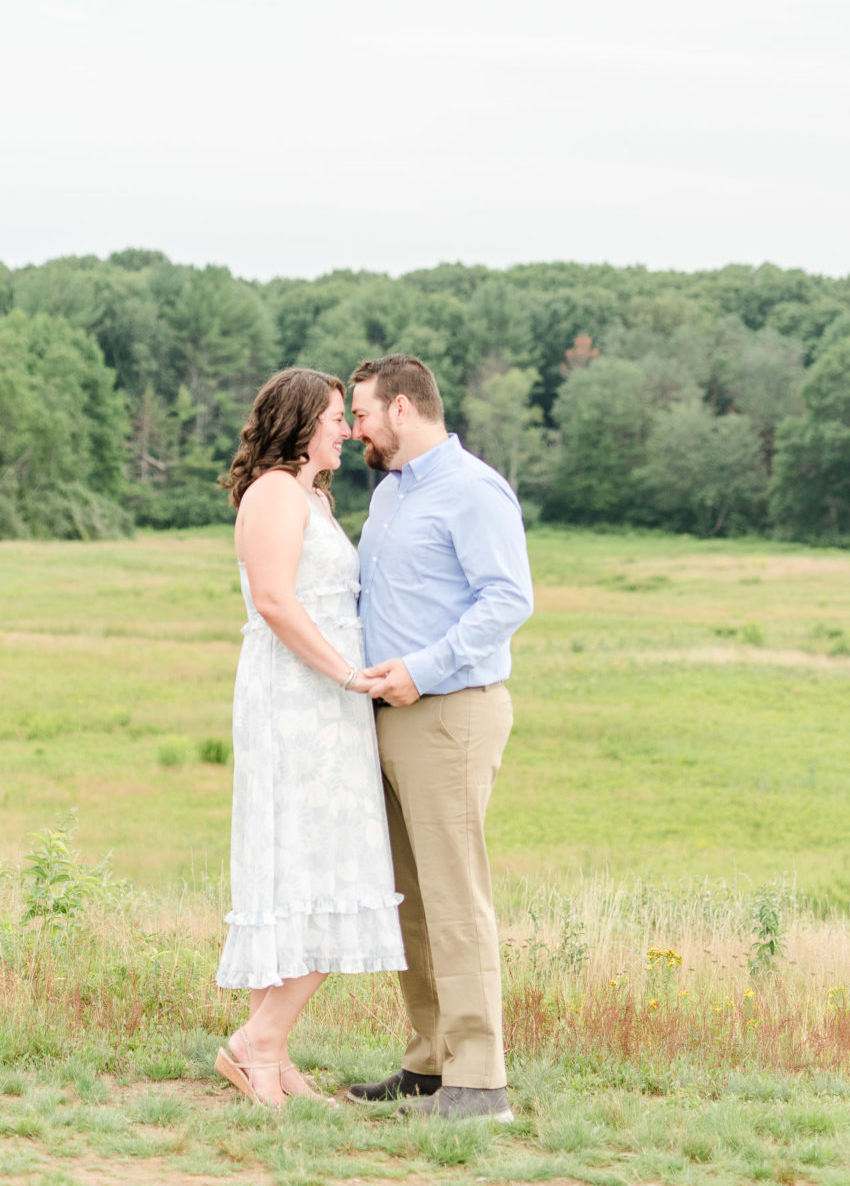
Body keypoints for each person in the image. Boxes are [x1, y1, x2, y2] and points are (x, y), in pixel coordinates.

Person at [346, 354, 535, 1123]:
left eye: (358, 411)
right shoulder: (391, 493)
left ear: (399, 408)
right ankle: (431, 1065)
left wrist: (420, 671)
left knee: (455, 899)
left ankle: (480, 1083)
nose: (352, 425)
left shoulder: (472, 489)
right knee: (409, 903)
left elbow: (507, 599)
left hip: (449, 711)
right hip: (387, 718)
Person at [214, 368, 405, 1108]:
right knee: (316, 860)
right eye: (334, 417)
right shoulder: (271, 493)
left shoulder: (314, 497)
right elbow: (272, 601)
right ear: (299, 423)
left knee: (316, 864)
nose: (347, 430)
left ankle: (268, 1050)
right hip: (295, 698)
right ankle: (255, 1044)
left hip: (328, 701)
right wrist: (345, 675)